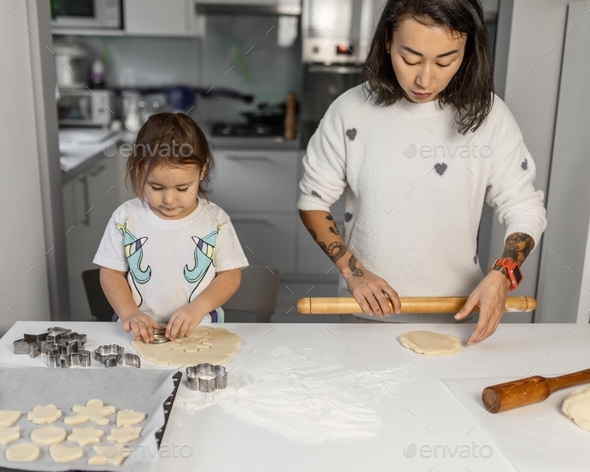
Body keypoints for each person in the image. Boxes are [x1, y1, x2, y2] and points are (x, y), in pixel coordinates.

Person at [298, 0, 547, 344]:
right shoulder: (349, 111)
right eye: (410, 58)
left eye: (446, 60)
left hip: (458, 316)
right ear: (387, 40)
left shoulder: (490, 117)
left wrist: (504, 273)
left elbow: (525, 208)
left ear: (468, 50)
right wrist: (354, 273)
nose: (425, 78)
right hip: (365, 314)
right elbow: (312, 201)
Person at [94, 113, 248, 343]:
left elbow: (231, 274)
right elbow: (110, 272)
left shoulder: (215, 221)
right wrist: (129, 312)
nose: (169, 199)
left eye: (182, 188)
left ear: (202, 171)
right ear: (139, 170)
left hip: (199, 328)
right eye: (156, 187)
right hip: (137, 332)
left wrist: (199, 307)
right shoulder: (126, 218)